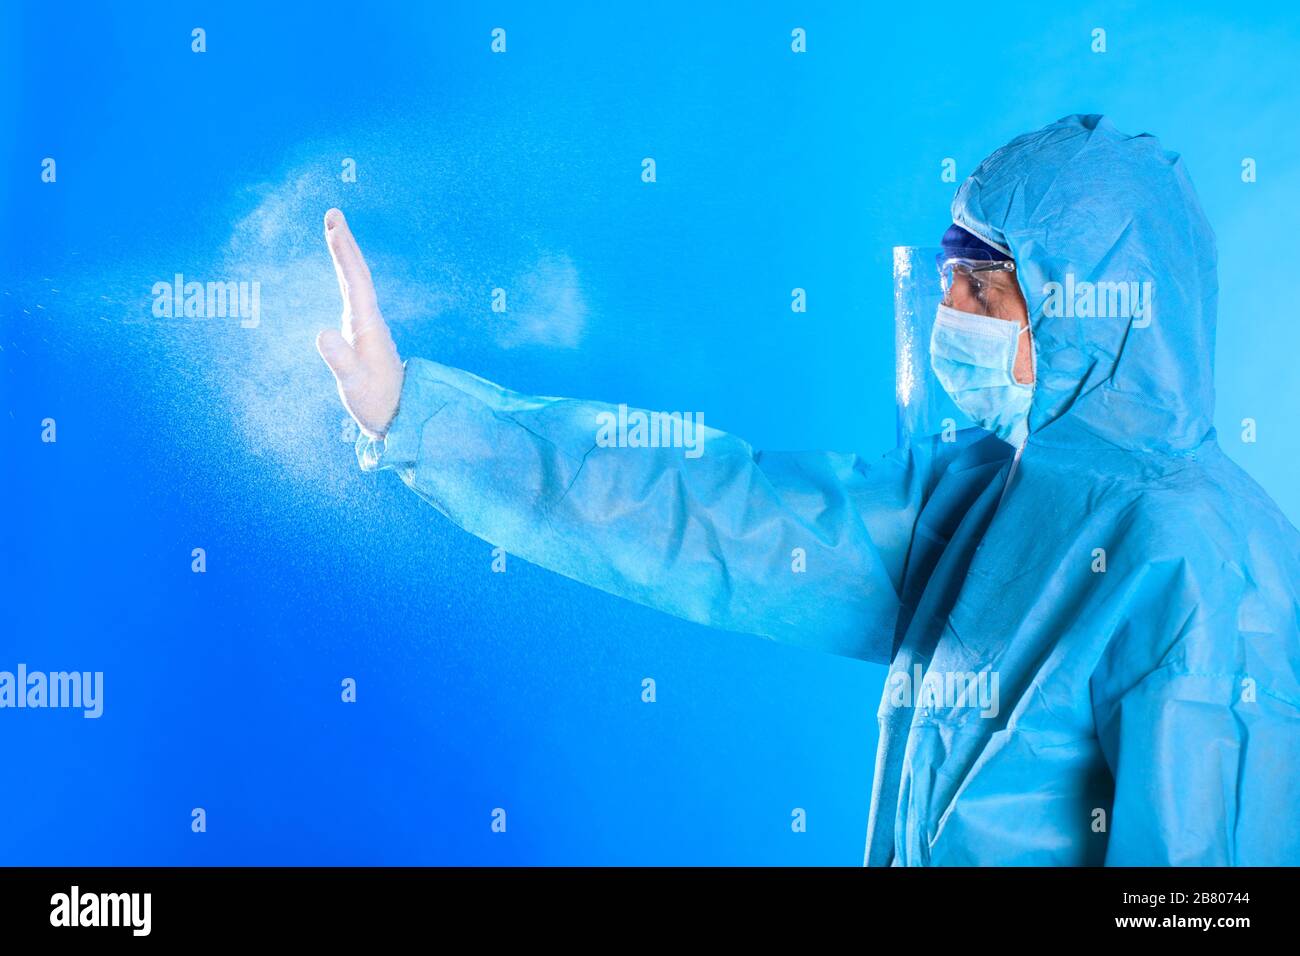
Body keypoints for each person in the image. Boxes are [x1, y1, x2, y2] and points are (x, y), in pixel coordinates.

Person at [316, 114, 1300, 866]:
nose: (949, 313)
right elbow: (717, 515)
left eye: (985, 286)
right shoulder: (988, 497)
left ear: (1094, 309)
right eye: (948, 275)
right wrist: (416, 413)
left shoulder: (1204, 562)